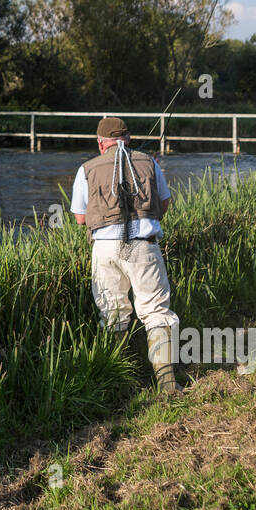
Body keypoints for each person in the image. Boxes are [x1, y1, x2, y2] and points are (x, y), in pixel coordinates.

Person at [69, 116, 180, 393]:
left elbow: (81, 219)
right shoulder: (149, 162)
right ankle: (167, 385)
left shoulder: (86, 169)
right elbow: (164, 204)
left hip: (104, 249)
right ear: (128, 138)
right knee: (155, 312)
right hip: (143, 245)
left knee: (113, 314)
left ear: (100, 143)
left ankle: (119, 382)